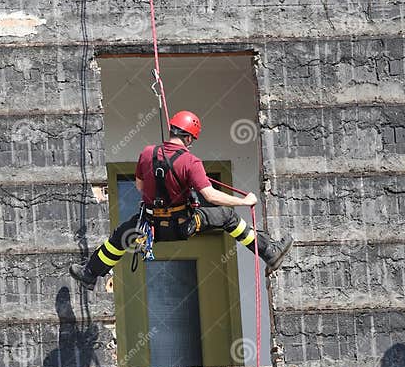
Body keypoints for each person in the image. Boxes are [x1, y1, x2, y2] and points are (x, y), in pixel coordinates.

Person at [70, 110, 292, 291]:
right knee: (228, 217)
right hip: (183, 225)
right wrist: (245, 202)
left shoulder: (147, 153)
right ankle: (268, 252)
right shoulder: (190, 161)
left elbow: (139, 186)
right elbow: (210, 196)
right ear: (188, 138)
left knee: (120, 236)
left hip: (150, 227)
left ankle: (90, 274)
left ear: (172, 130)